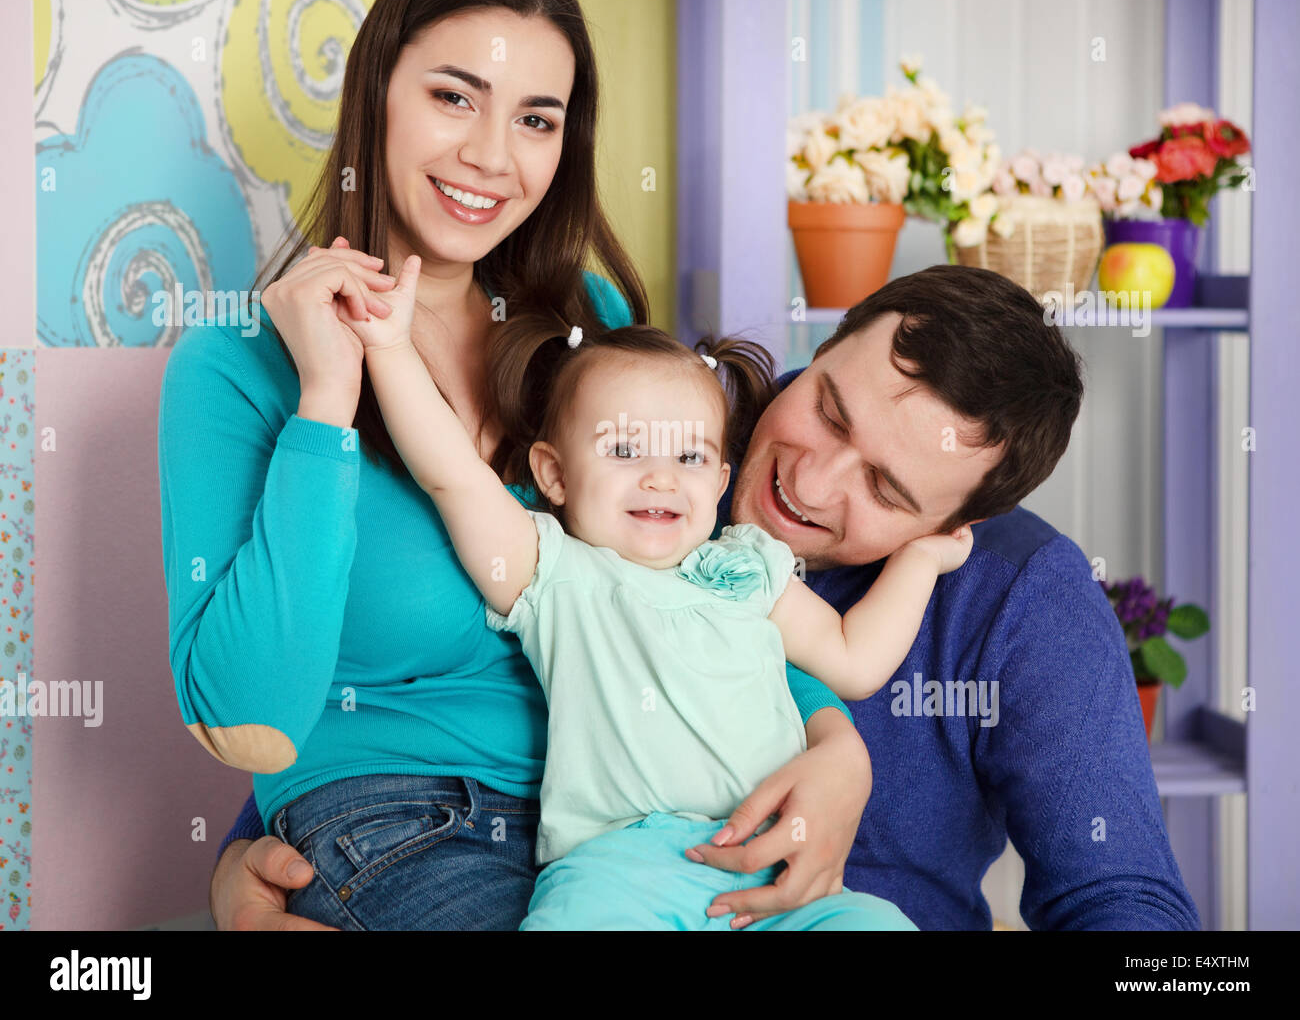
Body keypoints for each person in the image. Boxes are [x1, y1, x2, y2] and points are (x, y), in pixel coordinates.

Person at [160, 0, 870, 933]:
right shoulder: (237, 371)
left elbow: (675, 580)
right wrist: (327, 399)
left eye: (535, 118)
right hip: (398, 823)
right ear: (376, 97)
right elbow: (250, 718)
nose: (494, 156)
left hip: (619, 827)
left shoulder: (591, 323)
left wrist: (837, 742)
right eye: (456, 96)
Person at [210, 264, 1201, 930]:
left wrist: (839, 754)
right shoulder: (649, 476)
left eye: (886, 490)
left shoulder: (1024, 594)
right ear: (821, 345)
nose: (809, 486)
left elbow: (1121, 897)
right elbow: (415, 731)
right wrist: (246, 865)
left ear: (954, 529)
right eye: (825, 406)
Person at [327, 256, 976, 928]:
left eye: (688, 456)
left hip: (766, 869)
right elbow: (452, 476)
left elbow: (856, 657)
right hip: (618, 872)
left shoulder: (747, 571)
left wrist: (922, 560)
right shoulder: (553, 571)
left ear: (720, 480)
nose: (660, 478)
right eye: (624, 450)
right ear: (554, 473)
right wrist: (391, 347)